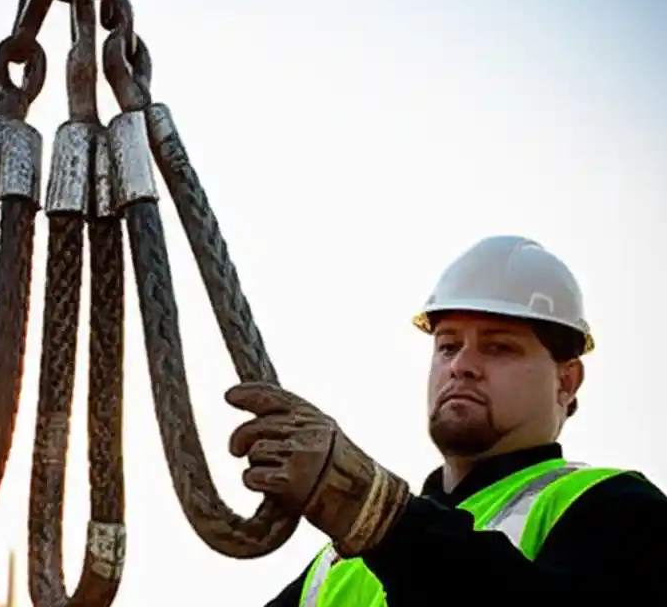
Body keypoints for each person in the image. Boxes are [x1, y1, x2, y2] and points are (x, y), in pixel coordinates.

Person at [224, 235, 667, 606]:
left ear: (566, 381)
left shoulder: (619, 508)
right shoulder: (336, 569)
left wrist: (374, 513)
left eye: (499, 347)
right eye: (448, 346)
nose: (461, 366)